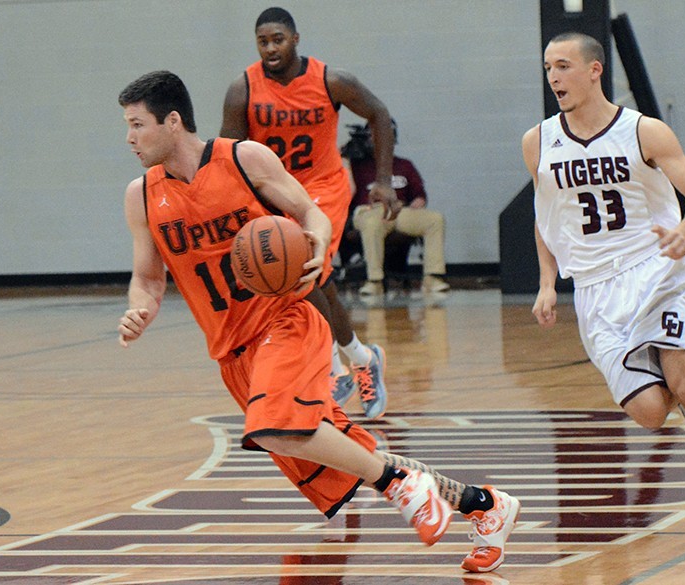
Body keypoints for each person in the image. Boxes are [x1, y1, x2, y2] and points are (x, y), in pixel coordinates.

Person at [117, 69, 519, 573]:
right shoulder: (142, 195)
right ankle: (485, 506)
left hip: (284, 321)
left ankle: (403, 488)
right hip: (233, 353)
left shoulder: (244, 159)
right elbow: (149, 279)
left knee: (275, 428)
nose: (129, 138)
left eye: (137, 125)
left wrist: (312, 241)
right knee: (348, 454)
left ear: (172, 121)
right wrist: (140, 308)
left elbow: (312, 213)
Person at [525, 32, 685, 534]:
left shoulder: (642, 131)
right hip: (594, 290)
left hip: (658, 271)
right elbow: (545, 219)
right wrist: (548, 282)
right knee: (652, 412)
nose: (554, 77)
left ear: (595, 70)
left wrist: (684, 233)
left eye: (564, 66)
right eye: (548, 68)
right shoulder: (538, 142)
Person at [220, 7, 395, 419]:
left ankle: (341, 367)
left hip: (322, 190)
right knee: (293, 282)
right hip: (274, 192)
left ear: (295, 39)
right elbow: (229, 155)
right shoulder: (242, 89)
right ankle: (356, 359)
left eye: (277, 39)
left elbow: (379, 115)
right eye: (263, 41)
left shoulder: (331, 80)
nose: (271, 48)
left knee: (308, 271)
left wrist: (383, 179)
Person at [343, 121, 449, 298]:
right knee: (372, 224)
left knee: (435, 219)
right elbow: (346, 191)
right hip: (369, 210)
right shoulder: (357, 165)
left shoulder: (404, 165)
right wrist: (345, 159)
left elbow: (419, 193)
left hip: (399, 209)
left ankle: (433, 277)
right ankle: (374, 281)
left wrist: (419, 200)